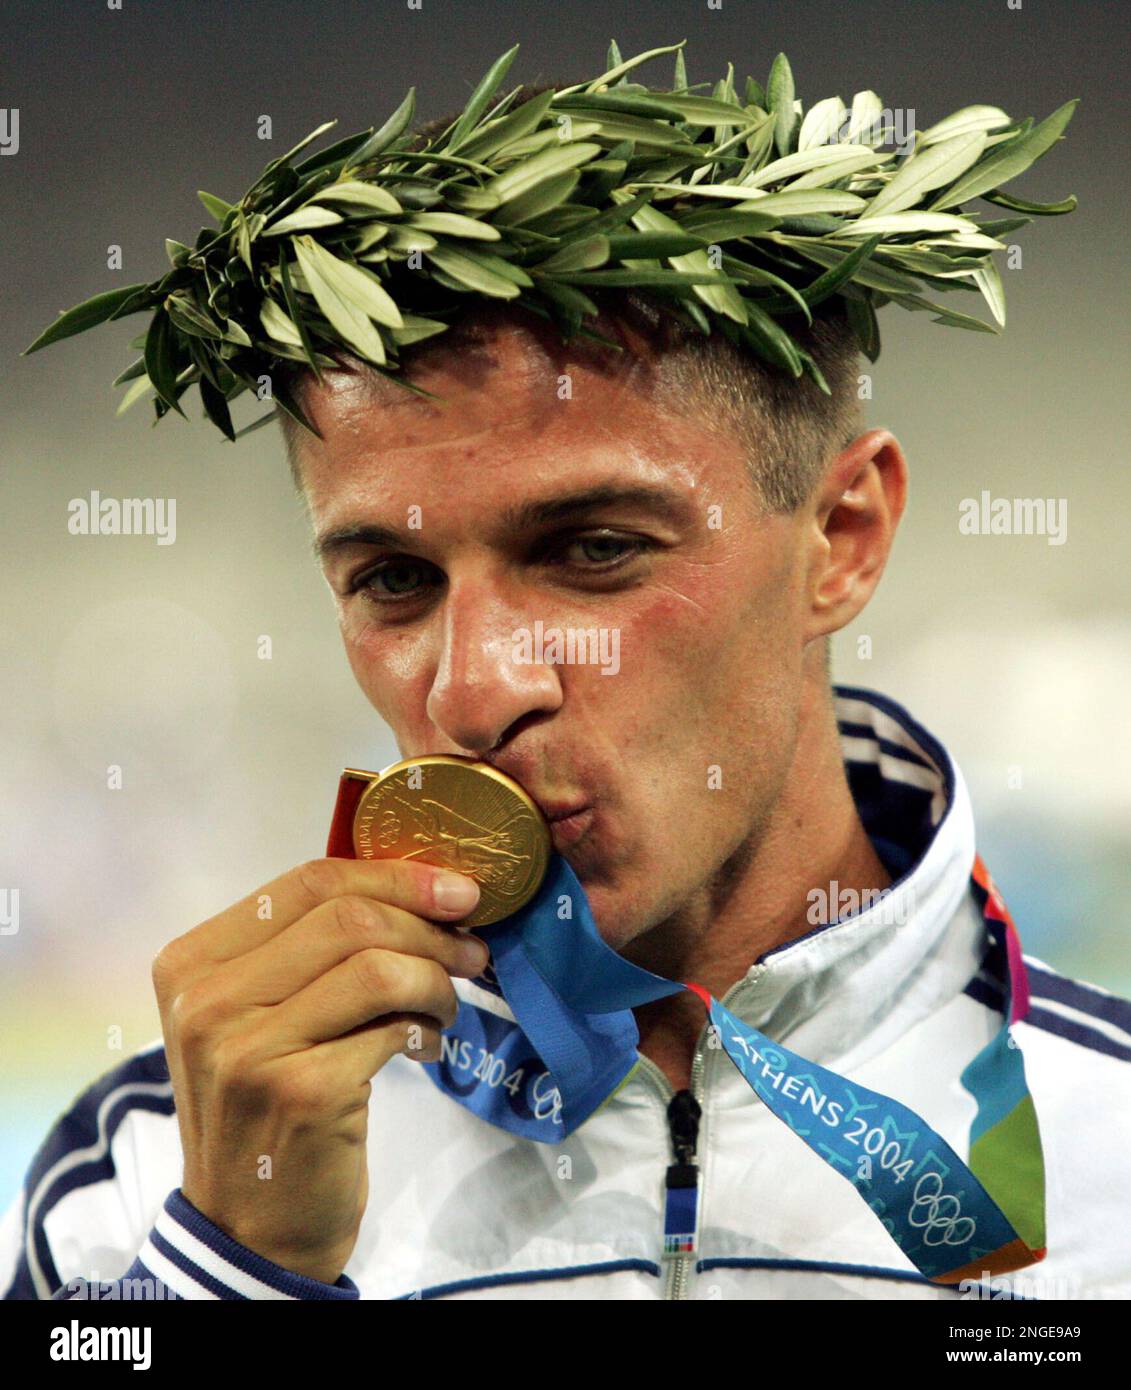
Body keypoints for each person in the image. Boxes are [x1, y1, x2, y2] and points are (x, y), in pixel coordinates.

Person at [7, 44, 1127, 1302]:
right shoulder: (151, 1176)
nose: (472, 693)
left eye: (594, 550)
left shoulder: (1116, 1155)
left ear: (842, 537)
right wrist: (237, 1273)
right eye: (393, 579)